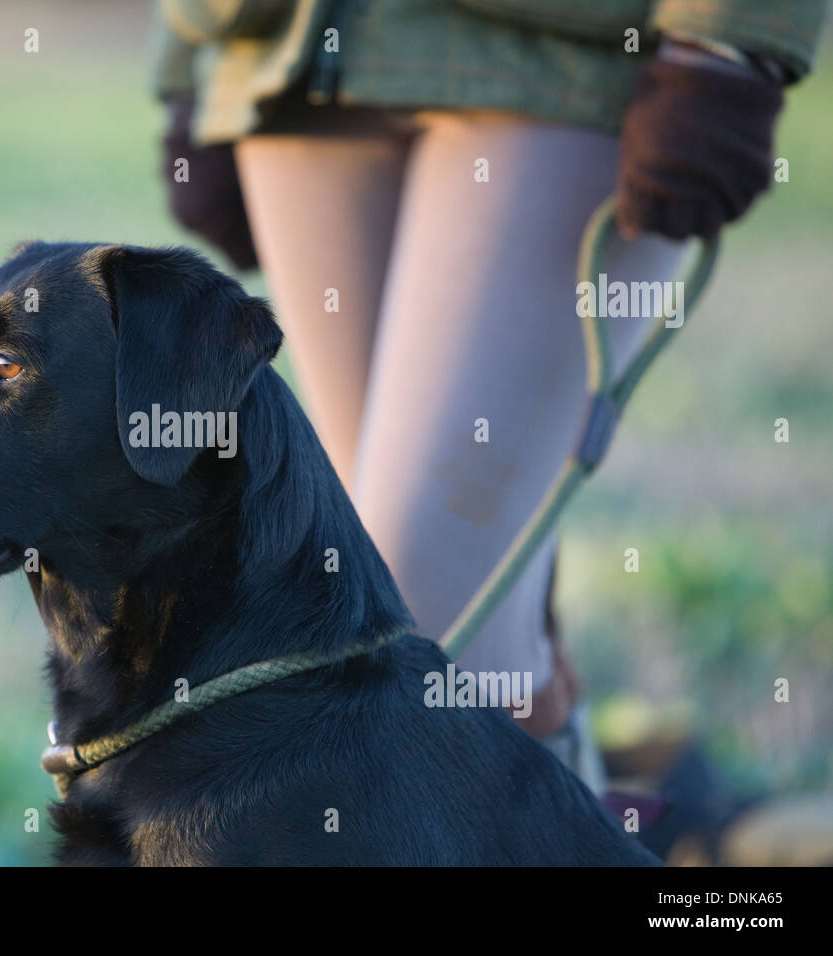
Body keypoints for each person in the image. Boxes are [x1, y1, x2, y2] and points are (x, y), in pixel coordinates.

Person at [150, 0, 826, 792]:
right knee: (413, 612)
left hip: (559, 65)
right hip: (291, 64)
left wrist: (730, 48)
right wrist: (187, 55)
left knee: (424, 634)